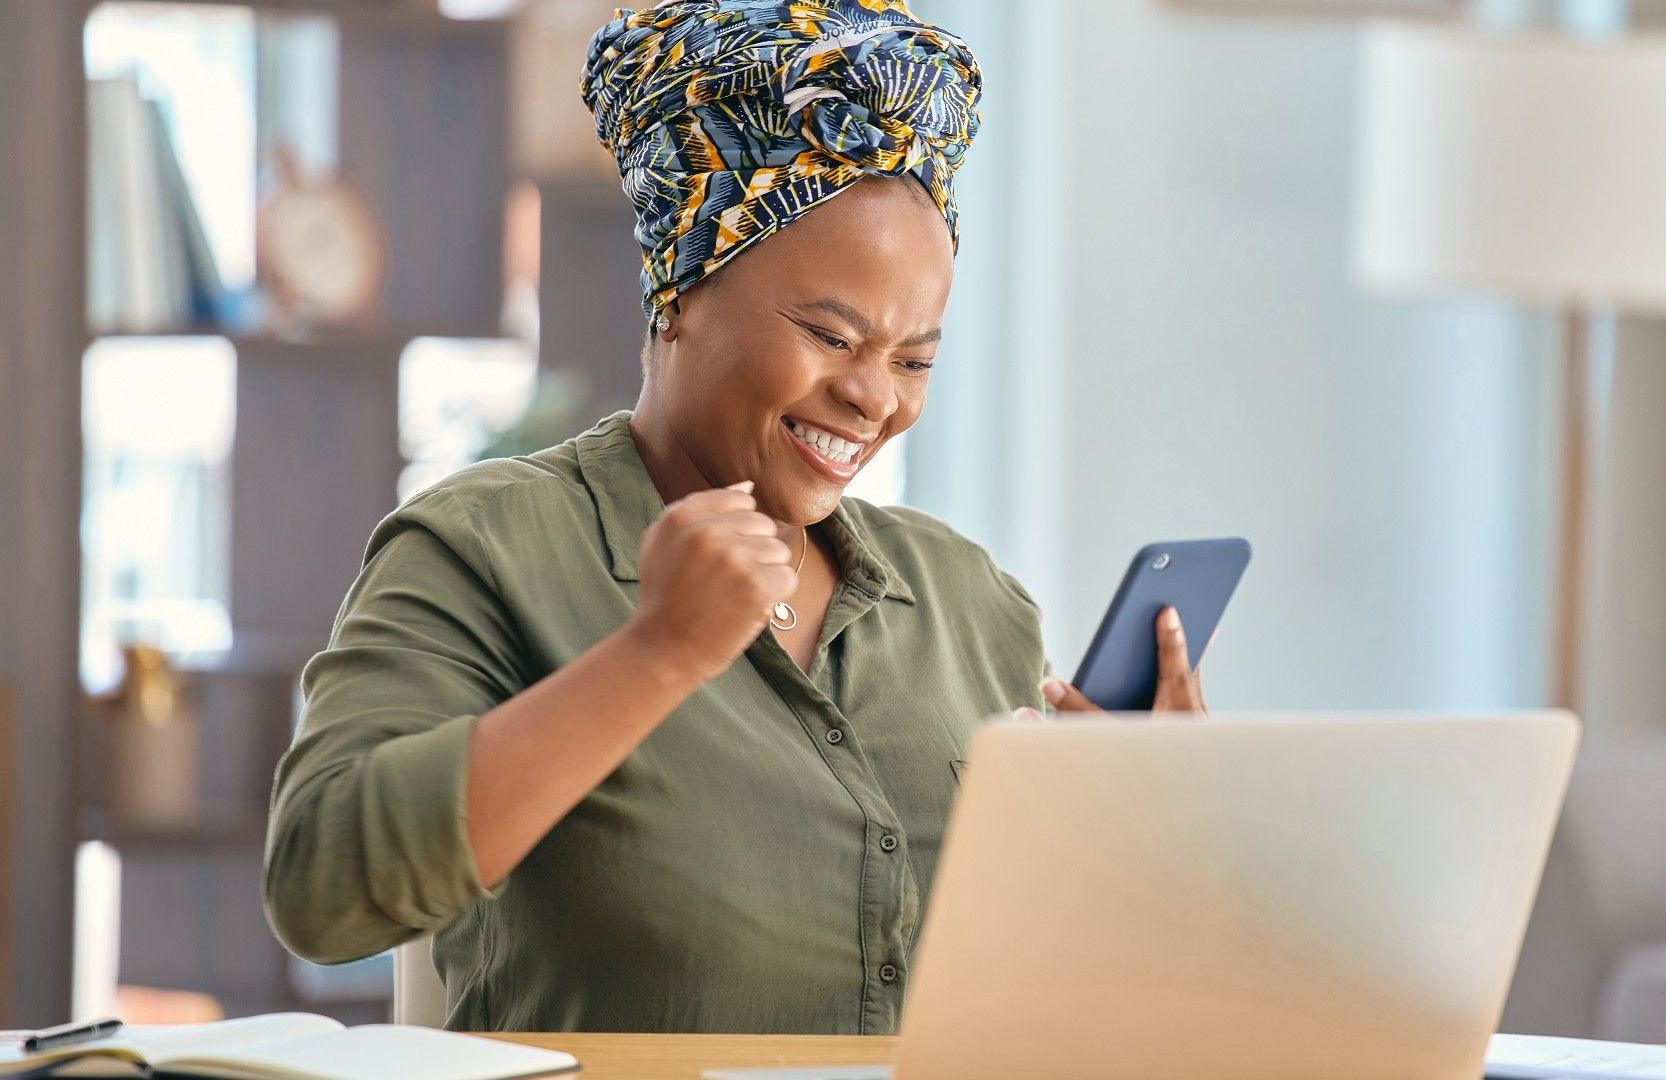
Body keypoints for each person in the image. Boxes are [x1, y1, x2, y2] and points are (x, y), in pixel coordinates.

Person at [263, 0, 1204, 1035]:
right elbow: (321, 890)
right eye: (831, 336)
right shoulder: (486, 549)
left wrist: (1148, 829)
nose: (874, 398)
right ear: (679, 292)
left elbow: (1057, 992)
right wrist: (657, 655)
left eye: (913, 360)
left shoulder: (968, 600)